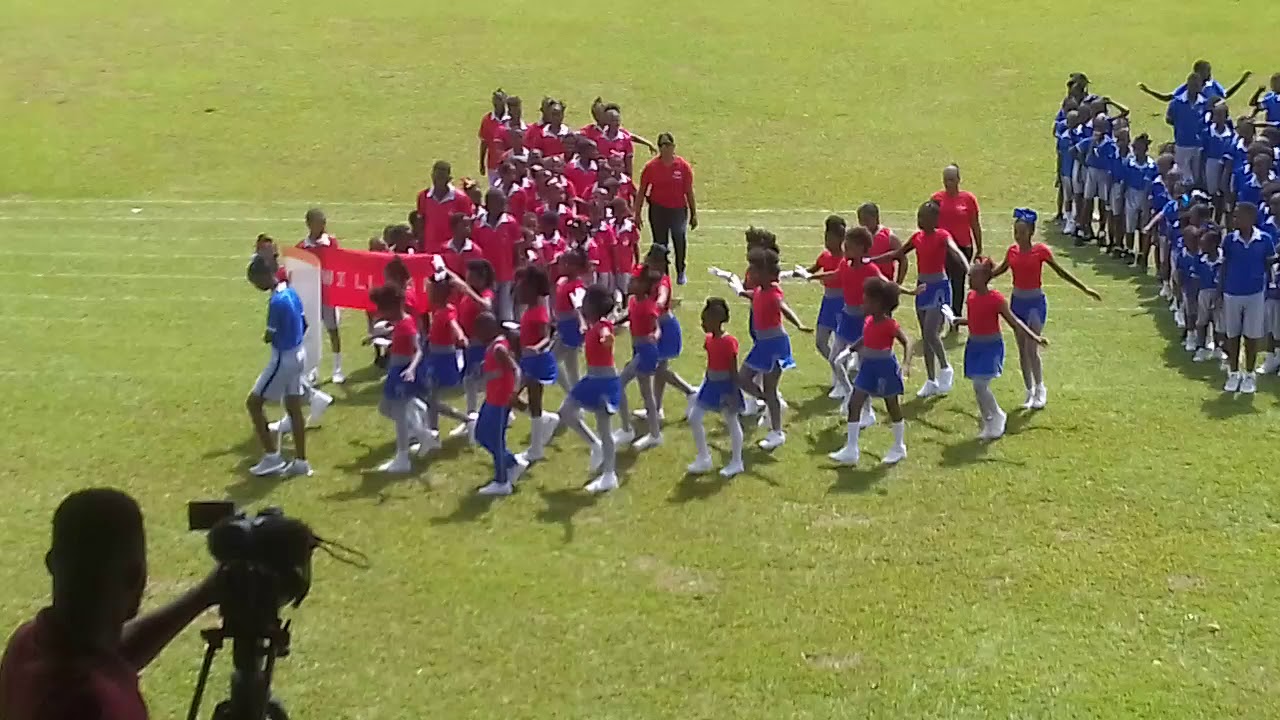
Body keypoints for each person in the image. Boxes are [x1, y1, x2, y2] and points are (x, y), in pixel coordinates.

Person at [0, 489, 218, 720]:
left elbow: (111, 656)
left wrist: (204, 595)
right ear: (137, 576)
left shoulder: (27, 644)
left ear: (52, 564)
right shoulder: (90, 705)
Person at [990, 209, 1100, 409]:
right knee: (1022, 350)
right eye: (1015, 232)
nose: (1018, 236)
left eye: (1022, 232)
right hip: (1017, 303)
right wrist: (982, 275)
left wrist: (1084, 288)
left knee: (1032, 348)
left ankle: (1040, 388)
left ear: (1031, 232)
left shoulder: (1040, 251)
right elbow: (999, 270)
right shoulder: (1012, 252)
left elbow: (1061, 272)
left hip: (1035, 303)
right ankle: (1029, 391)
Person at [871, 200, 970, 398]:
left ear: (935, 219)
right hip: (922, 288)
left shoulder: (943, 235)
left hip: (939, 288)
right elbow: (897, 254)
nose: (919, 220)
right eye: (918, 216)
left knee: (931, 332)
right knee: (926, 337)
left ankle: (945, 367)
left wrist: (968, 269)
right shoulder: (917, 237)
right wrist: (870, 260)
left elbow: (955, 251)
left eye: (923, 217)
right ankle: (931, 380)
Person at [955, 258, 1049, 439]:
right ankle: (988, 422)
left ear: (983, 277)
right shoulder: (971, 297)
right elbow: (975, 320)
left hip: (991, 346)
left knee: (980, 384)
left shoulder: (995, 299)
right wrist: (960, 321)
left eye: (972, 276)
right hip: (974, 345)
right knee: (977, 388)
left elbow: (1015, 322)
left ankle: (998, 415)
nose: (969, 279)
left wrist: (1035, 337)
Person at [827, 276, 911, 466]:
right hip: (868, 367)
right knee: (854, 403)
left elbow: (907, 342)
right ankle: (851, 449)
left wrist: (906, 364)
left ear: (879, 303)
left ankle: (899, 446)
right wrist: (848, 351)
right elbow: (864, 339)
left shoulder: (890, 325)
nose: (862, 304)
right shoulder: (868, 321)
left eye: (866, 301)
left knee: (892, 406)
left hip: (885, 367)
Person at [735, 248, 812, 451]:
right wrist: (742, 291)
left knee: (769, 387)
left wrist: (799, 324)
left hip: (775, 344)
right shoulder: (760, 291)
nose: (750, 274)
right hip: (762, 344)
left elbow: (783, 308)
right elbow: (755, 295)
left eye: (754, 271)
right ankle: (771, 403)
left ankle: (777, 432)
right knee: (742, 379)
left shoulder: (773, 292)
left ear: (767, 274)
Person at [244, 251, 313, 477]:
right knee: (293, 408)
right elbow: (304, 323)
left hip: (283, 357)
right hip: (299, 352)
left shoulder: (276, 301)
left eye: (255, 282)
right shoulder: (291, 292)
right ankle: (301, 461)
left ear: (264, 276)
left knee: (254, 403)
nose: (255, 286)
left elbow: (270, 335)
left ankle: (272, 457)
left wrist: (269, 335)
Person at [556, 285, 625, 493]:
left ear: (594, 306)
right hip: (592, 379)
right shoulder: (593, 324)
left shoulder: (603, 325)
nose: (582, 305)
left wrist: (607, 339)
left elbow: (605, 334)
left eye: (585, 302)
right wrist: (578, 311)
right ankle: (594, 444)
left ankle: (609, 475)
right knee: (566, 412)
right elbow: (587, 329)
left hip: (605, 380)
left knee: (605, 428)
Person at [369, 283, 426, 473]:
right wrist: (378, 338)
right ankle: (419, 428)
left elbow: (418, 350)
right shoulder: (399, 324)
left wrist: (411, 369)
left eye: (382, 308)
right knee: (386, 408)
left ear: (394, 307)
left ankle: (403, 458)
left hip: (402, 371)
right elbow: (397, 338)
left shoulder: (408, 324)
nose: (379, 312)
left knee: (400, 414)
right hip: (395, 370)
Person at [686, 298, 746, 478]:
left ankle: (737, 461)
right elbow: (710, 364)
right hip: (710, 384)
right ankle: (704, 458)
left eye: (705, 321)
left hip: (726, 386)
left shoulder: (729, 342)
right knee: (694, 417)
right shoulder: (709, 340)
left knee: (731, 421)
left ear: (716, 320)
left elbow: (733, 370)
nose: (702, 324)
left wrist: (734, 393)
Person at [1220, 202, 1274, 393]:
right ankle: (1233, 373)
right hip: (1231, 293)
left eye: (1238, 216)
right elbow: (1224, 266)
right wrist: (1221, 291)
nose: (1235, 219)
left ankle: (1249, 375)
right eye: (1234, 216)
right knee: (1232, 335)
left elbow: (1269, 266)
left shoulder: (1265, 240)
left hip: (1255, 294)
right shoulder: (1229, 240)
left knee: (1251, 337)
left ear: (1251, 218)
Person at [611, 267, 667, 451]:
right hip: (638, 349)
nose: (629, 282)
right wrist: (613, 322)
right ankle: (655, 434)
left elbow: (657, 327)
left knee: (619, 383)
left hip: (646, 351)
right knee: (646, 393)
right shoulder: (634, 301)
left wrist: (655, 336)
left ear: (644, 285)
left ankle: (627, 429)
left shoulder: (649, 306)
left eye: (634, 280)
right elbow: (628, 316)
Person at [474, 312, 529, 496]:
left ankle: (502, 482)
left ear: (489, 329)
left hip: (500, 401)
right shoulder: (492, 347)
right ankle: (513, 462)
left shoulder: (499, 348)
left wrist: (514, 393)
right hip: (491, 398)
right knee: (481, 434)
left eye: (479, 331)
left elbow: (516, 370)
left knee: (496, 440)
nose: (477, 335)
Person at [514, 265, 561, 464]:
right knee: (513, 398)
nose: (518, 290)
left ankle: (536, 448)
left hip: (537, 362)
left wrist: (536, 347)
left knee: (533, 402)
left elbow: (546, 336)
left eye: (522, 286)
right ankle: (547, 420)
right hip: (527, 361)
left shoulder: (540, 311)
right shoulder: (529, 310)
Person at [636, 133, 697, 285]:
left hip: (678, 209)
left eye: (668, 145)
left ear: (673, 147)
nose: (665, 148)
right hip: (658, 210)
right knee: (660, 244)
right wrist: (637, 213)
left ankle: (681, 270)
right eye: (662, 145)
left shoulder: (683, 167)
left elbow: (689, 191)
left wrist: (693, 213)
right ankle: (664, 275)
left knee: (679, 238)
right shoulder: (651, 167)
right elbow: (642, 191)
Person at [297, 208, 345, 384]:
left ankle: (337, 368)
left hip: (328, 295)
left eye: (323, 222)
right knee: (312, 334)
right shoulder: (302, 247)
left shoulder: (331, 243)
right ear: (309, 224)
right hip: (311, 296)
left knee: (333, 331)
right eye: (319, 222)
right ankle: (313, 369)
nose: (323, 225)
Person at [931, 165, 982, 319]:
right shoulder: (936, 199)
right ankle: (942, 314)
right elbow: (930, 223)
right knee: (943, 281)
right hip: (942, 247)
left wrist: (979, 248)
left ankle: (956, 317)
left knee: (958, 283)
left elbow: (974, 224)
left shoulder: (968, 199)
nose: (948, 183)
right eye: (946, 180)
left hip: (963, 247)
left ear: (959, 180)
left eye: (952, 180)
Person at [805, 216, 848, 392]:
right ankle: (838, 369)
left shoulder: (847, 259)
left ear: (841, 239)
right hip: (827, 301)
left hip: (843, 302)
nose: (827, 242)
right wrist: (790, 273)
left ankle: (841, 380)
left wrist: (812, 276)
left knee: (841, 342)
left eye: (830, 239)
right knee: (821, 341)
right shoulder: (824, 256)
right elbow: (810, 270)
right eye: (825, 238)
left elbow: (835, 275)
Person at [456, 259, 497, 438]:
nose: (467, 277)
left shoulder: (485, 293)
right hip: (468, 344)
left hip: (480, 344)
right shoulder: (467, 294)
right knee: (470, 381)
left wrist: (467, 290)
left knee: (477, 381)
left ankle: (475, 418)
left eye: (471, 275)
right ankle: (471, 416)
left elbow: (486, 305)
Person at [416, 161, 476, 254]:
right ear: (432, 176)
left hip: (452, 251)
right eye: (437, 176)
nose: (439, 180)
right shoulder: (423, 196)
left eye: (442, 177)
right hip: (430, 250)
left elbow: (469, 226)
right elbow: (421, 223)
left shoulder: (461, 198)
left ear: (448, 178)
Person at [552, 248, 590, 396]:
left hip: (571, 328)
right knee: (571, 367)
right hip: (562, 325)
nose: (559, 267)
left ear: (573, 266)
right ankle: (578, 396)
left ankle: (572, 393)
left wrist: (582, 323)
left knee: (552, 361)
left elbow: (578, 306)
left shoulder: (577, 286)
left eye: (563, 264)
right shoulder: (562, 282)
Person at [1165, 74, 1210, 188]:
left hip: (1199, 146)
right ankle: (1184, 202)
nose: (1195, 88)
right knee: (1183, 180)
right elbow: (1169, 118)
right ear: (1187, 85)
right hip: (1182, 145)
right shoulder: (1177, 102)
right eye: (1192, 85)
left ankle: (1194, 201)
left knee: (1197, 179)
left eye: (1197, 85)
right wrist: (1181, 126)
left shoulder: (1204, 103)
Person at [1139, 61, 1250, 102]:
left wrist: (1241, 81)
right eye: (1208, 71)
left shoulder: (1213, 84)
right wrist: (1148, 91)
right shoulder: (1188, 87)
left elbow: (1225, 95)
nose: (1210, 74)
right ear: (1198, 72)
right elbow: (1167, 98)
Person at [1192, 230, 1226, 364]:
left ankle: (1219, 348)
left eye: (1204, 244)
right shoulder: (1199, 260)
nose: (1201, 247)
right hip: (1204, 292)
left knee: (1219, 323)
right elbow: (1195, 279)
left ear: (1214, 245)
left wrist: (1220, 295)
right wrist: (1195, 297)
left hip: (1221, 293)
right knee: (1202, 321)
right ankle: (1201, 347)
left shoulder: (1224, 260)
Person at [859, 203, 907, 284]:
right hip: (862, 286)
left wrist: (898, 283)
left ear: (876, 219)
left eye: (866, 220)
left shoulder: (888, 236)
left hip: (884, 286)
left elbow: (903, 259)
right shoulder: (857, 237)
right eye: (861, 220)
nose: (863, 223)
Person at [478, 89, 509, 186]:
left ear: (505, 101)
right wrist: (481, 163)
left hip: (509, 165)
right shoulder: (487, 120)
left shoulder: (511, 119)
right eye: (494, 99)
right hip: (493, 165)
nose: (496, 102)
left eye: (499, 99)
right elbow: (484, 143)